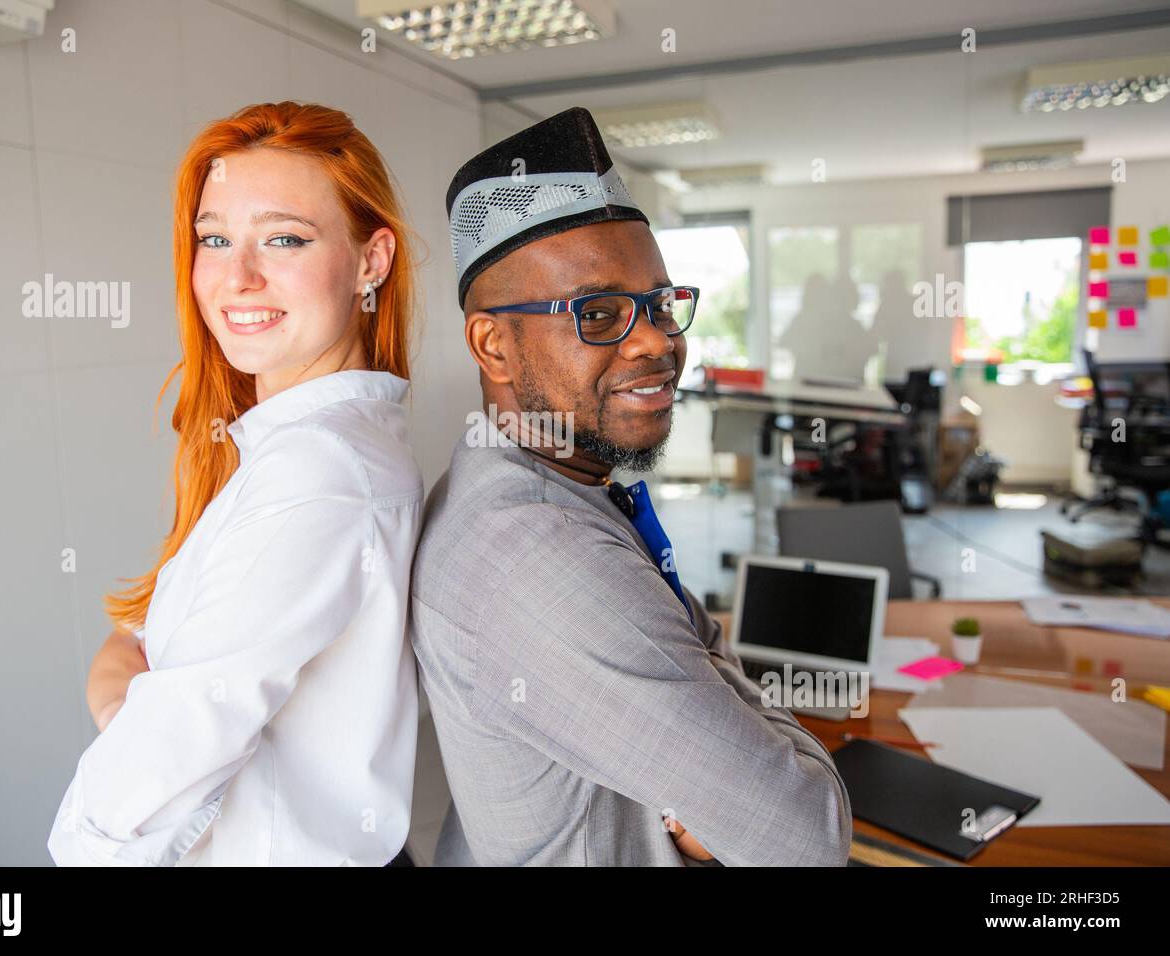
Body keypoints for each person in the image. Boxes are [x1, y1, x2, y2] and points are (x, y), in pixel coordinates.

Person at [410, 107, 852, 866]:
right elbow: (805, 836)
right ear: (494, 345)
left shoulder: (539, 477)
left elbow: (695, 645)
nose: (654, 340)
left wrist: (712, 692)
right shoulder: (536, 552)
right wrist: (764, 742)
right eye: (599, 313)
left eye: (658, 304)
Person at [47, 102, 423, 866]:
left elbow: (163, 751)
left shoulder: (319, 471)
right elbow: (136, 645)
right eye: (214, 238)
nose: (238, 277)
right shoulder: (291, 448)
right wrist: (144, 707)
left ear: (371, 261)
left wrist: (140, 720)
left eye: (284, 238)